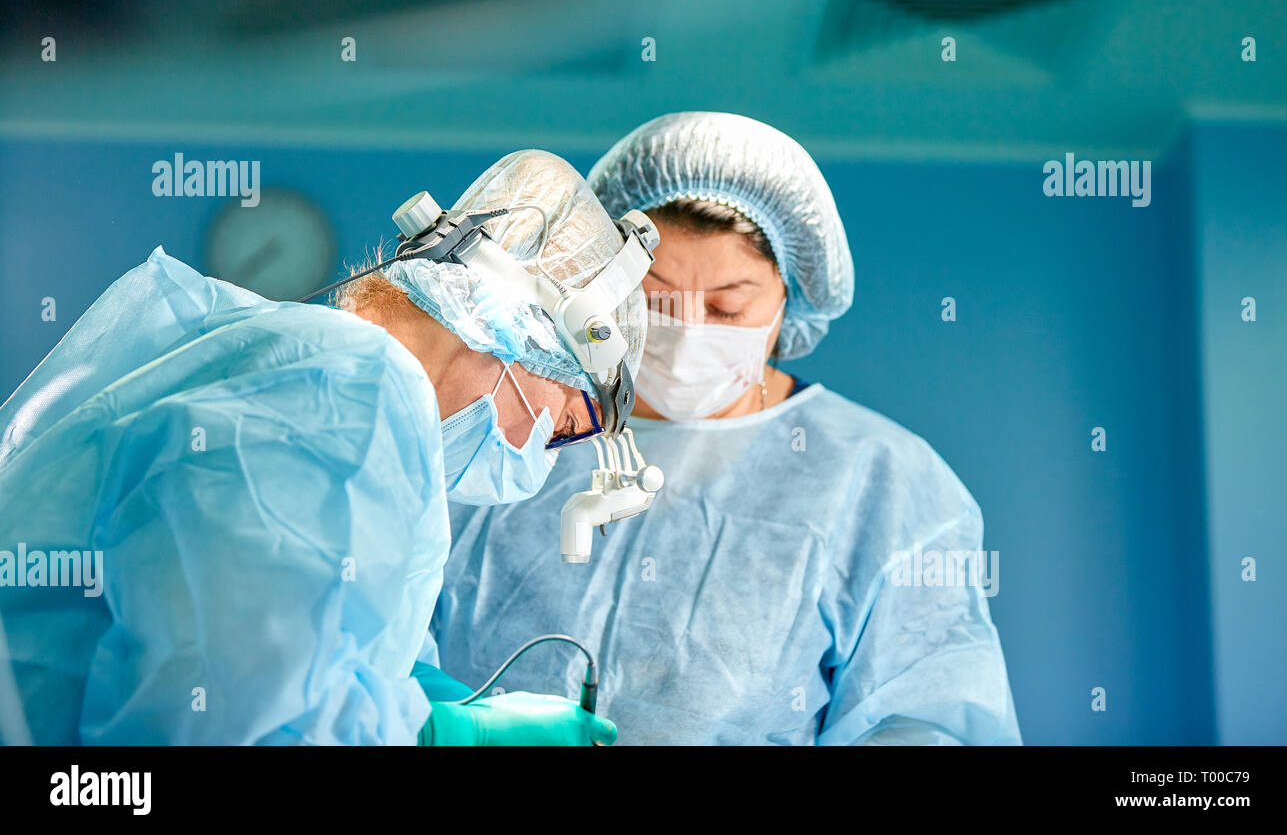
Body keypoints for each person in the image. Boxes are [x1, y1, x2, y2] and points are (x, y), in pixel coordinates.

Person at [0, 150, 642, 745]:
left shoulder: (320, 383)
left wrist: (420, 696)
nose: (544, 451)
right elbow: (218, 711)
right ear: (518, 332)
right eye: (565, 426)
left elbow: (304, 643)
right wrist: (444, 734)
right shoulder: (349, 389)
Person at [434, 113, 1022, 745]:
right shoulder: (511, 424)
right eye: (655, 300)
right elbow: (384, 652)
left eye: (727, 306)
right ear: (600, 286)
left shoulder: (879, 477)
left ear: (789, 302)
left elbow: (927, 722)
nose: (688, 328)